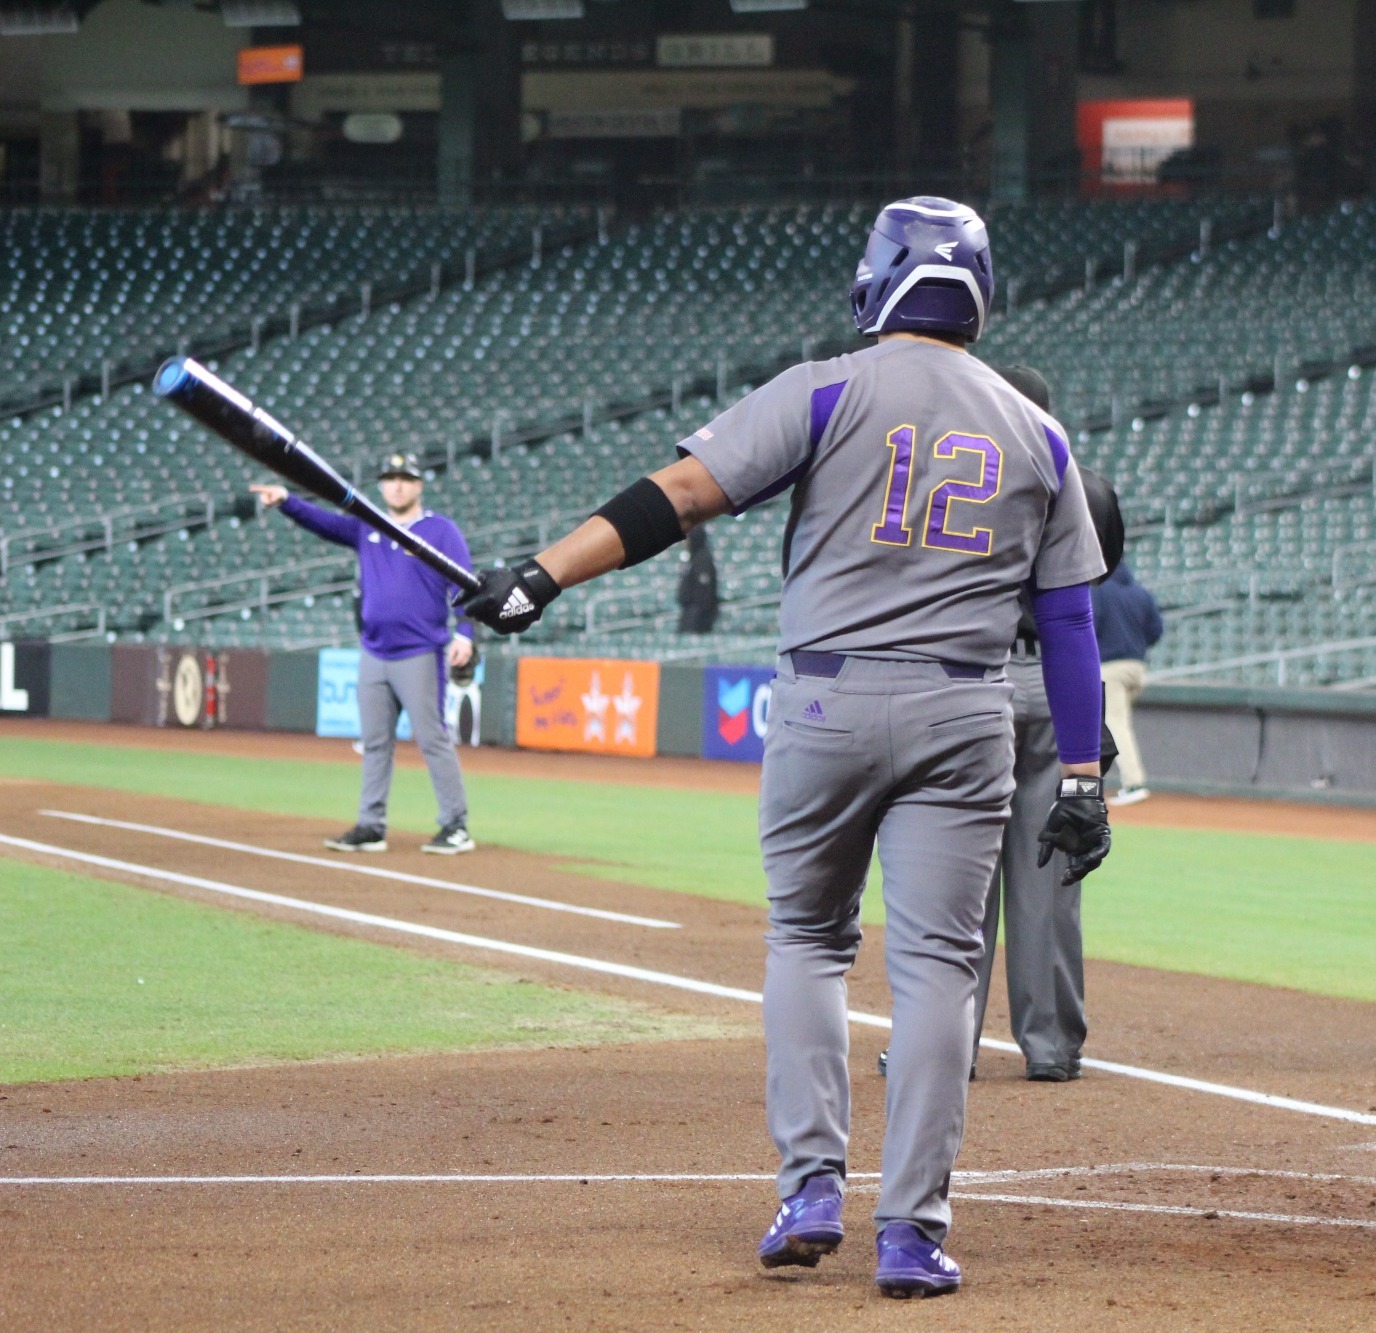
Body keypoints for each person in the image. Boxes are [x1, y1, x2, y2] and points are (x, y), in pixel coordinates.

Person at [459, 197, 1112, 1298]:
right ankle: (911, 1233)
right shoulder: (1035, 430)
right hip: (965, 714)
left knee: (808, 941)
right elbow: (1068, 620)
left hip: (825, 703)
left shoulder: (824, 388)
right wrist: (1083, 775)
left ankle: (810, 1188)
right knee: (940, 970)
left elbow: (680, 496)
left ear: (879, 277)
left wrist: (541, 574)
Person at [971, 363, 1125, 1084]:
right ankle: (1053, 1046)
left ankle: (946, 1044)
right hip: (1061, 678)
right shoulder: (1092, 489)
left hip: (981, 672)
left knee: (959, 872)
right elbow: (1096, 582)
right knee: (1054, 867)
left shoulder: (969, 476)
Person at [251, 454, 477, 855]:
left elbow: (465, 584)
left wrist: (466, 632)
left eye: (405, 478)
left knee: (432, 739)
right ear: (382, 485)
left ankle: (455, 826)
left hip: (420, 651)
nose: (397, 485)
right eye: (390, 478)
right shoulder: (368, 525)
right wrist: (287, 501)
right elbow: (325, 523)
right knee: (375, 744)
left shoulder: (440, 530)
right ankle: (371, 826)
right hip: (373, 653)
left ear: (419, 485)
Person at [1092, 560, 1162, 804]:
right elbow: (1156, 630)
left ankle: (1133, 783)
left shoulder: (1100, 591)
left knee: (1115, 724)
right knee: (1119, 724)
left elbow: (1090, 625)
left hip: (1110, 667)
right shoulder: (1141, 593)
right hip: (1137, 667)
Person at [677, 526, 719, 633]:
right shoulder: (694, 558)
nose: (685, 542)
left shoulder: (702, 560)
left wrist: (696, 616)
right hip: (690, 613)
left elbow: (704, 596)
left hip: (697, 618)